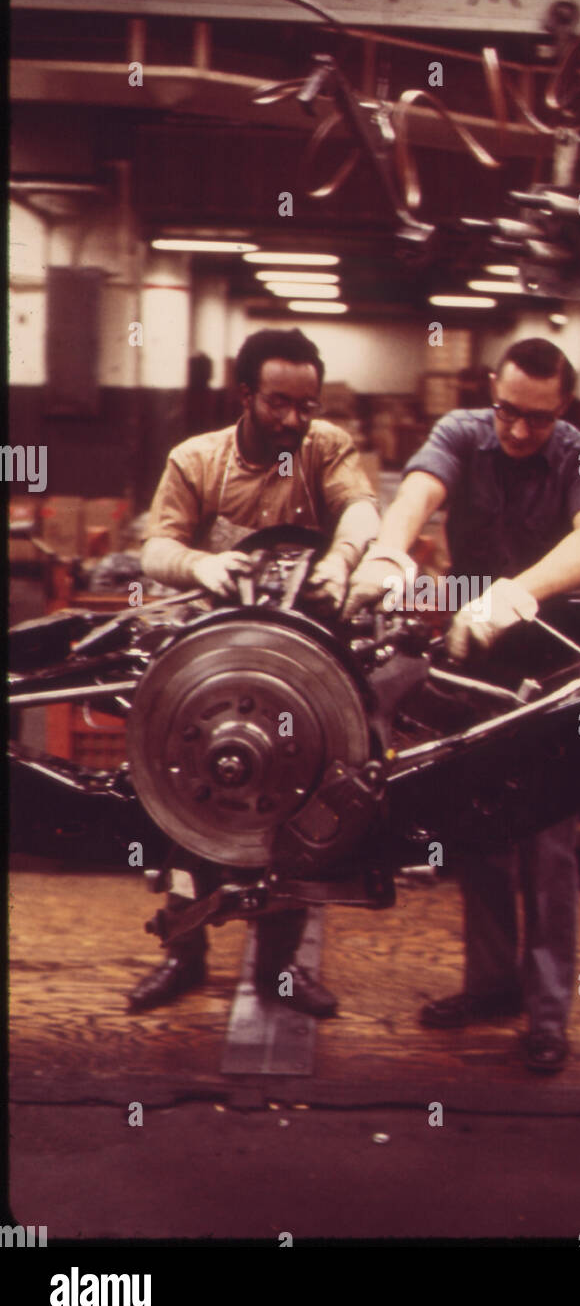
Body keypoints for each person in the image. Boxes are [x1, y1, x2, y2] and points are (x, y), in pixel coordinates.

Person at [344, 338, 580, 1072]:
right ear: (490, 392)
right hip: (473, 657)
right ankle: (493, 984)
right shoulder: (463, 432)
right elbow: (416, 494)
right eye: (508, 410)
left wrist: (519, 593)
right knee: (474, 827)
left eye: (538, 418)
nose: (519, 429)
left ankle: (546, 1013)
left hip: (553, 661)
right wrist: (388, 551)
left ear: (563, 407)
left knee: (546, 843)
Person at [127, 328, 380, 1016]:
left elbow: (360, 508)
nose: (295, 419)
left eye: (307, 404)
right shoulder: (196, 460)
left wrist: (341, 559)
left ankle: (279, 972)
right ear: (246, 395)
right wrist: (199, 564)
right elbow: (157, 548)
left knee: (298, 815)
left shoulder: (325, 448)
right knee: (183, 815)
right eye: (279, 403)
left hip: (298, 665)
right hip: (207, 671)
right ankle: (182, 955)